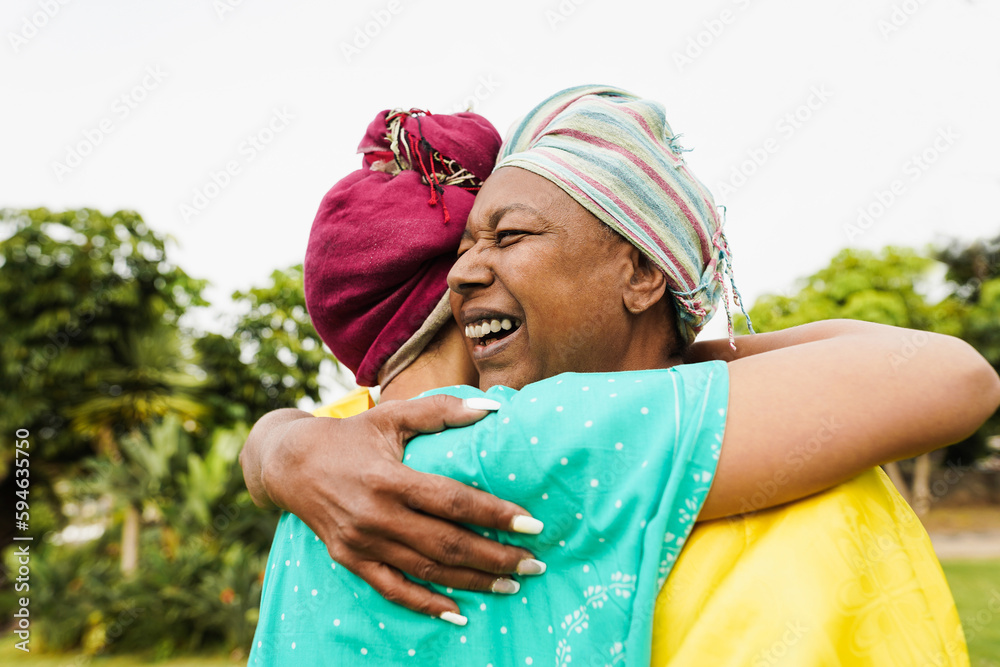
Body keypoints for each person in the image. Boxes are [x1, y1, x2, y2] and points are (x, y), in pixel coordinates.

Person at [244, 87, 999, 665]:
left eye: (508, 236)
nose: (467, 272)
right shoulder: (539, 435)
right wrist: (692, 350)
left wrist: (276, 444)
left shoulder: (343, 452)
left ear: (639, 271)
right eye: (463, 250)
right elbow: (950, 374)